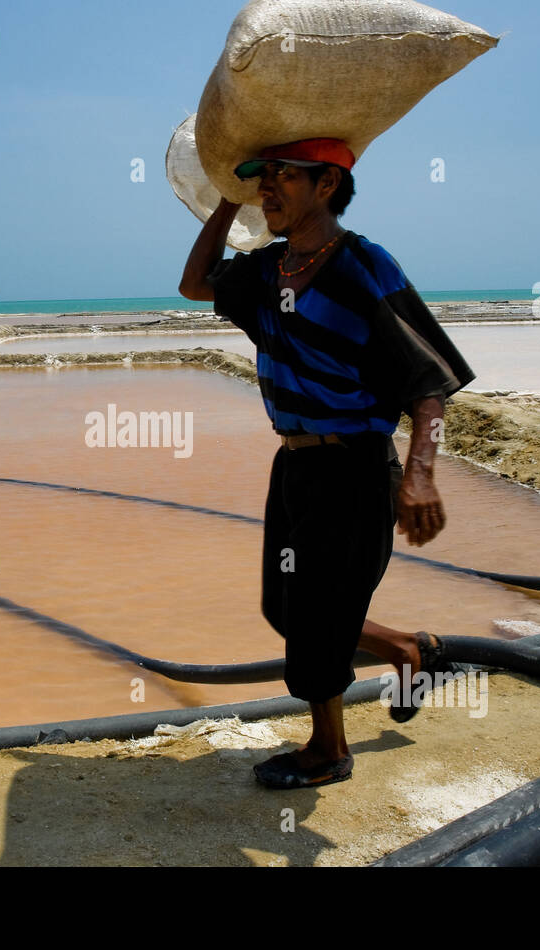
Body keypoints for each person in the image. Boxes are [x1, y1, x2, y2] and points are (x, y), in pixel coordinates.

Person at [178, 138, 477, 789]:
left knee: (315, 612)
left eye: (286, 176)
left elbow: (427, 385)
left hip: (355, 469)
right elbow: (194, 283)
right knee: (286, 609)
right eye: (264, 178)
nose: (270, 188)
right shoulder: (267, 272)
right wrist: (228, 199)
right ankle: (408, 650)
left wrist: (420, 474)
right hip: (294, 467)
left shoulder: (361, 266)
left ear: (327, 184)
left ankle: (328, 750)